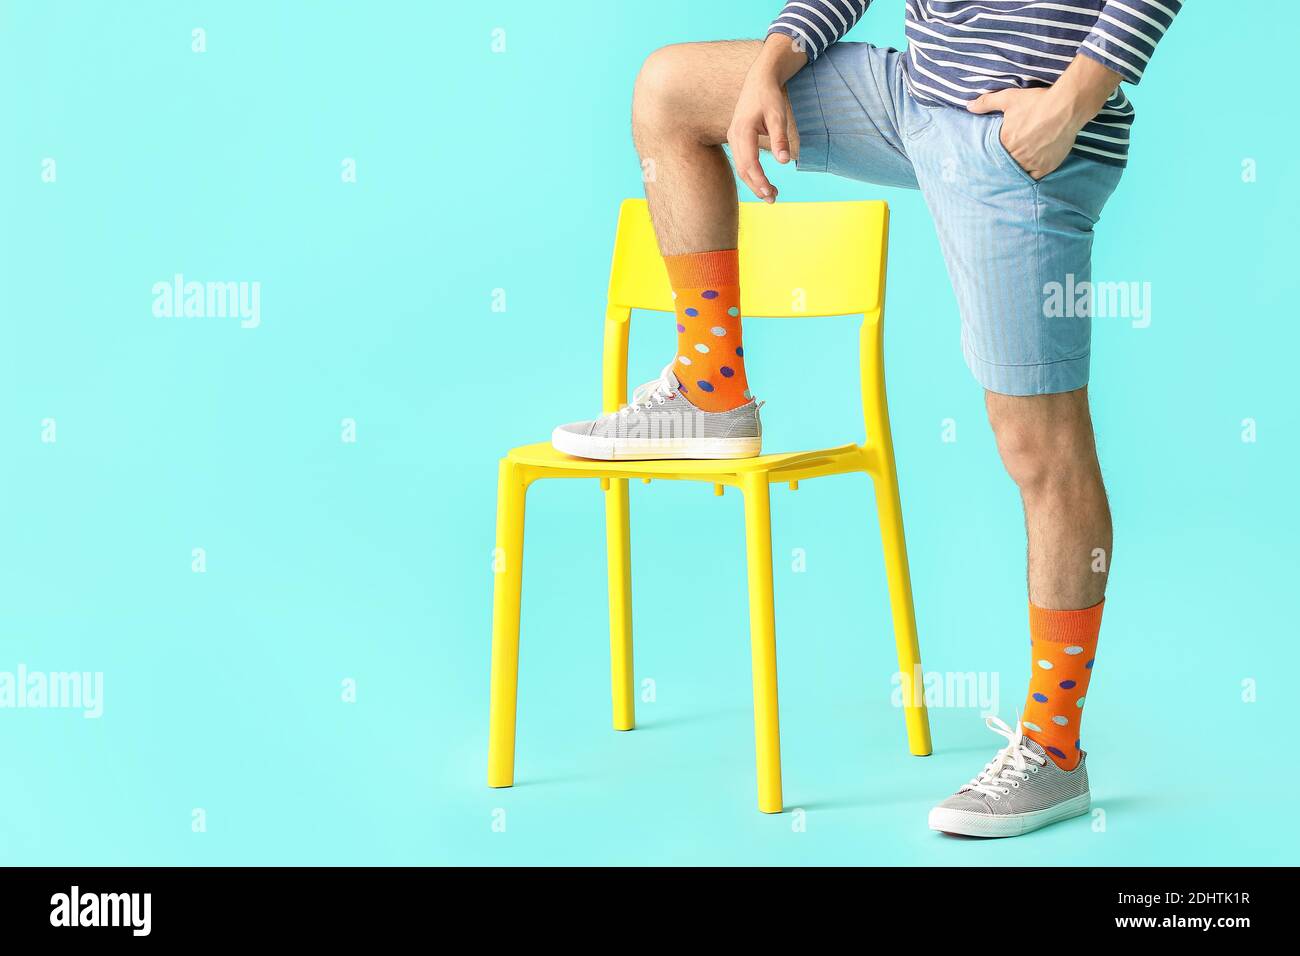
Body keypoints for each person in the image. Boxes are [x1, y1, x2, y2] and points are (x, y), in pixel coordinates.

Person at [551, 0, 1181, 837]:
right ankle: (711, 385)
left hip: (1020, 131)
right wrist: (774, 61)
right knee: (670, 88)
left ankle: (1055, 751)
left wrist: (1071, 103)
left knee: (1041, 447)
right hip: (910, 97)